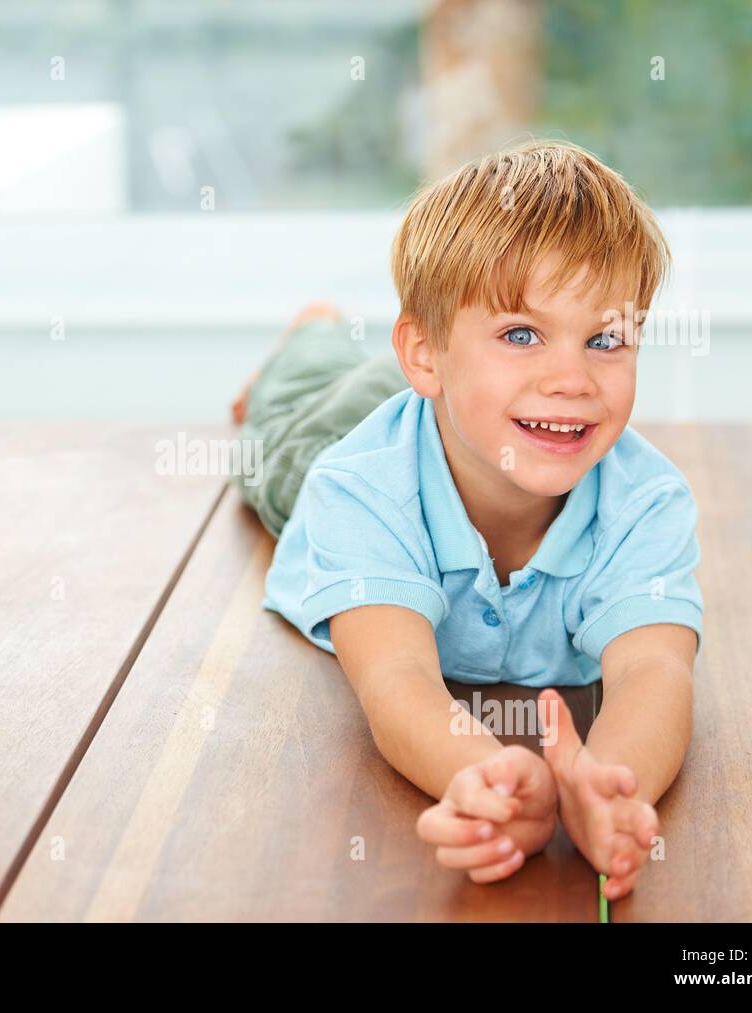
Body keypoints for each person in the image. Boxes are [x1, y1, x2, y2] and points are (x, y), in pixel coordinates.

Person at [229, 139, 701, 900]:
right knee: (287, 417)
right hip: (332, 433)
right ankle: (312, 331)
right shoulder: (355, 488)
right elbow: (396, 676)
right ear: (426, 353)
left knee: (444, 388)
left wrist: (608, 786)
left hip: (460, 402)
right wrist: (481, 775)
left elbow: (655, 670)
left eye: (605, 339)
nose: (572, 379)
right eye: (522, 334)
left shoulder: (646, 501)